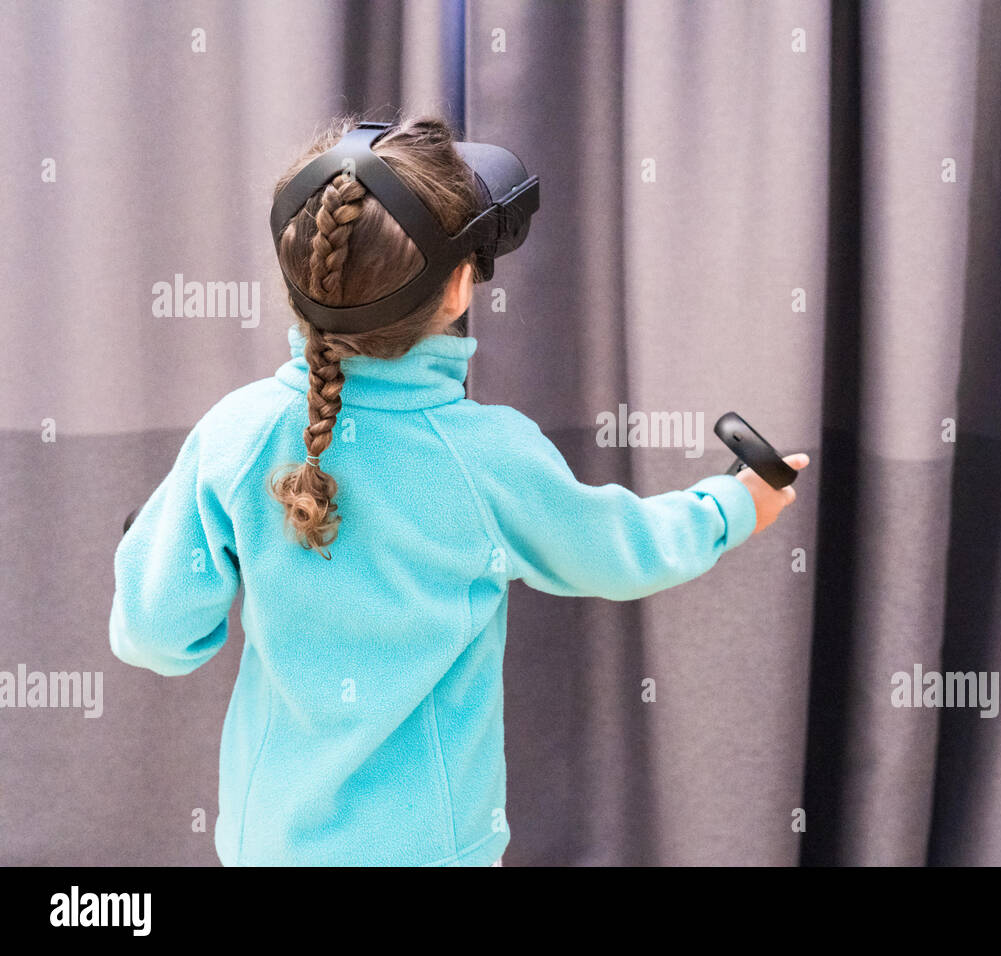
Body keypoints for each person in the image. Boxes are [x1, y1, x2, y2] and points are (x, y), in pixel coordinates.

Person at [109, 113, 808, 866]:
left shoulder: (233, 438)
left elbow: (156, 635)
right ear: (458, 290)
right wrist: (733, 505)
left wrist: (149, 555)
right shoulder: (487, 457)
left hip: (268, 845)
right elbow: (622, 552)